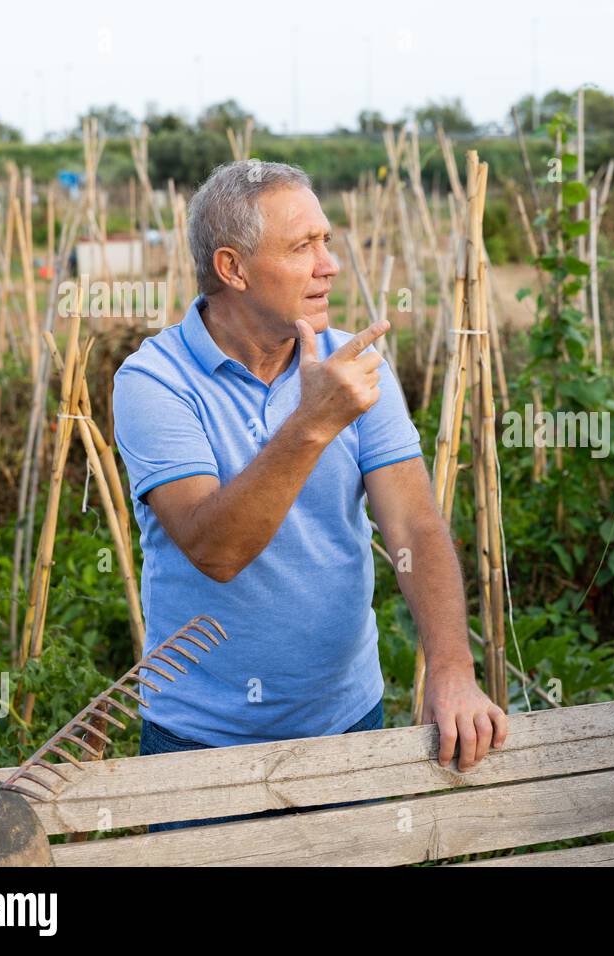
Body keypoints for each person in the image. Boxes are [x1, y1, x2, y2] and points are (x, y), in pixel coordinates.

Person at [112, 160, 506, 831]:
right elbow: (217, 548)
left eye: (327, 241)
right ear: (233, 268)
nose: (331, 266)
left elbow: (411, 524)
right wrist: (315, 421)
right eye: (303, 247)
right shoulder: (154, 382)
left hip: (346, 727)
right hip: (199, 744)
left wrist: (450, 667)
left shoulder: (352, 364)